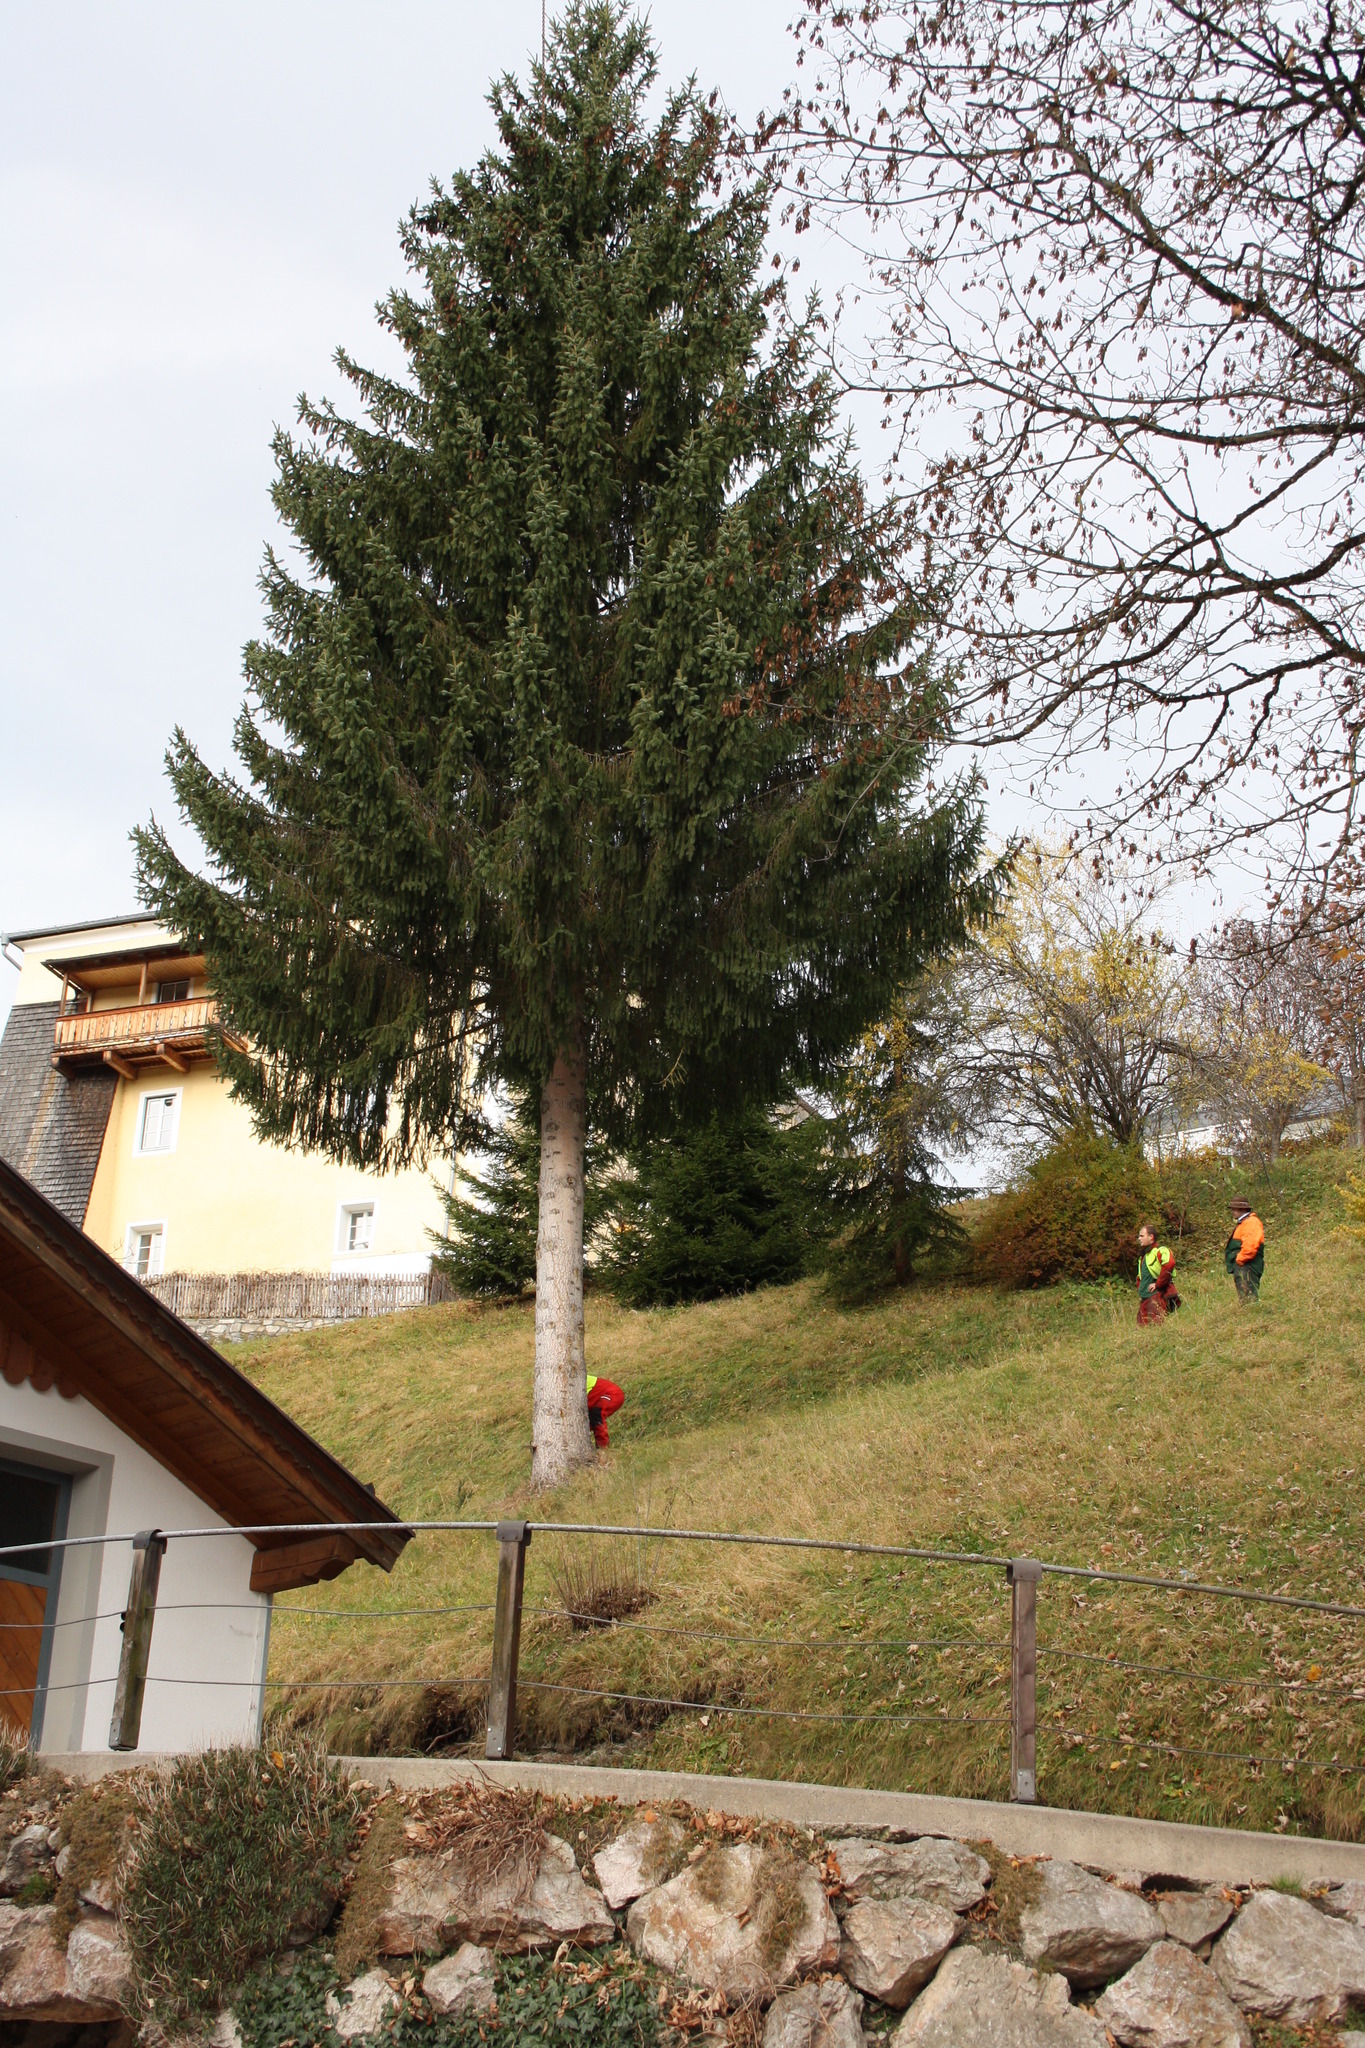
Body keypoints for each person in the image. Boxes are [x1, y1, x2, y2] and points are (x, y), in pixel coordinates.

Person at [1136, 1224, 1179, 1325]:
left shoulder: (1161, 1250)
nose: (1139, 1238)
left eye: (1142, 1236)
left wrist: (1158, 1284)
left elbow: (1170, 1264)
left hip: (1156, 1297)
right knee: (1142, 1330)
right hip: (1145, 1299)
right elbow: (1140, 1278)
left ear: (1151, 1237)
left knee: (1155, 1327)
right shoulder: (1143, 1256)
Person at [1225, 1197, 1265, 1300]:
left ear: (1243, 1210)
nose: (1232, 1212)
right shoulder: (1244, 1223)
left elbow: (1250, 1246)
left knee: (1248, 1298)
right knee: (1245, 1297)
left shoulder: (1251, 1222)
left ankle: (1252, 1314)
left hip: (1247, 1266)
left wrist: (1239, 1260)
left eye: (1235, 1209)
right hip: (1244, 1265)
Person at [586, 1374, 624, 1447]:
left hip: (612, 1393)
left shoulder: (573, 1381)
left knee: (597, 1414)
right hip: (594, 1400)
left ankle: (602, 1448)